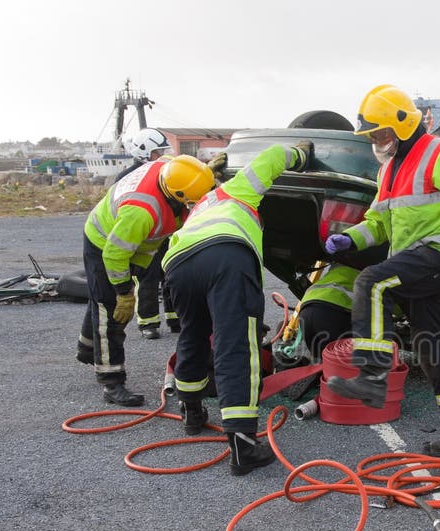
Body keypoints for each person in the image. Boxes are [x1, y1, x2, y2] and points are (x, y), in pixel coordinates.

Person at [325, 84, 440, 458]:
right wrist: (350, 239)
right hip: (423, 264)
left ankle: (372, 378)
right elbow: (378, 222)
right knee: (432, 346)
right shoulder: (389, 170)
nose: (377, 140)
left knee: (372, 283)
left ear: (404, 126)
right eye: (372, 135)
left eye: (381, 132)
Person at [163, 142, 312, 476]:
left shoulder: (197, 209)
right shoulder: (234, 190)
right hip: (226, 255)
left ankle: (191, 412)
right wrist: (301, 153)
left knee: (193, 334)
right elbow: (273, 157)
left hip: (177, 264)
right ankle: (244, 447)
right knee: (236, 346)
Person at [76, 154, 215, 407]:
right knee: (111, 310)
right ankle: (111, 381)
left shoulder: (172, 171)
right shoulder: (141, 212)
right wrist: (125, 293)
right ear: (179, 196)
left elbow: (180, 168)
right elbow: (114, 254)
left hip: (134, 244)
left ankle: (87, 348)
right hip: (105, 245)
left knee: (99, 299)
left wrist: (206, 173)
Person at [118, 129, 178, 340]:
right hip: (144, 238)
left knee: (171, 276)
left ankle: (175, 318)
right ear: (143, 152)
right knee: (147, 279)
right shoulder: (128, 177)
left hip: (165, 233)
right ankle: (148, 323)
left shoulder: (165, 172)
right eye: (157, 152)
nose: (162, 156)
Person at [297, 263, 359, 360]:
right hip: (334, 312)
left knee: (321, 363)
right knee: (343, 364)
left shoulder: (340, 261)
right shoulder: (379, 270)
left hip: (306, 308)